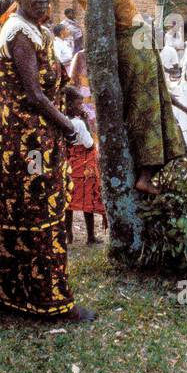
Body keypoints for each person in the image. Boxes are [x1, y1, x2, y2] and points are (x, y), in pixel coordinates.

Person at [0, 0, 93, 322]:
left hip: (28, 137)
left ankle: (7, 300)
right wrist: (70, 127)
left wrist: (72, 101)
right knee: (41, 216)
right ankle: (51, 304)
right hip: (27, 143)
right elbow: (33, 95)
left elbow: (44, 86)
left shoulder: (32, 30)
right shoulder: (18, 34)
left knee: (27, 216)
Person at [49, 0, 187, 193]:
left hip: (117, 41)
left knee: (133, 106)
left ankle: (142, 172)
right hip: (131, 39)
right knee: (147, 105)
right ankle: (146, 175)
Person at [63, 65, 105, 245]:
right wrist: (87, 121)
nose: (81, 106)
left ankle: (68, 235)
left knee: (68, 204)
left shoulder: (62, 120)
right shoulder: (79, 123)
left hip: (69, 165)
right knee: (88, 203)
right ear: (70, 105)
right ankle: (90, 236)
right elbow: (88, 143)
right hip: (83, 167)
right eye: (79, 104)